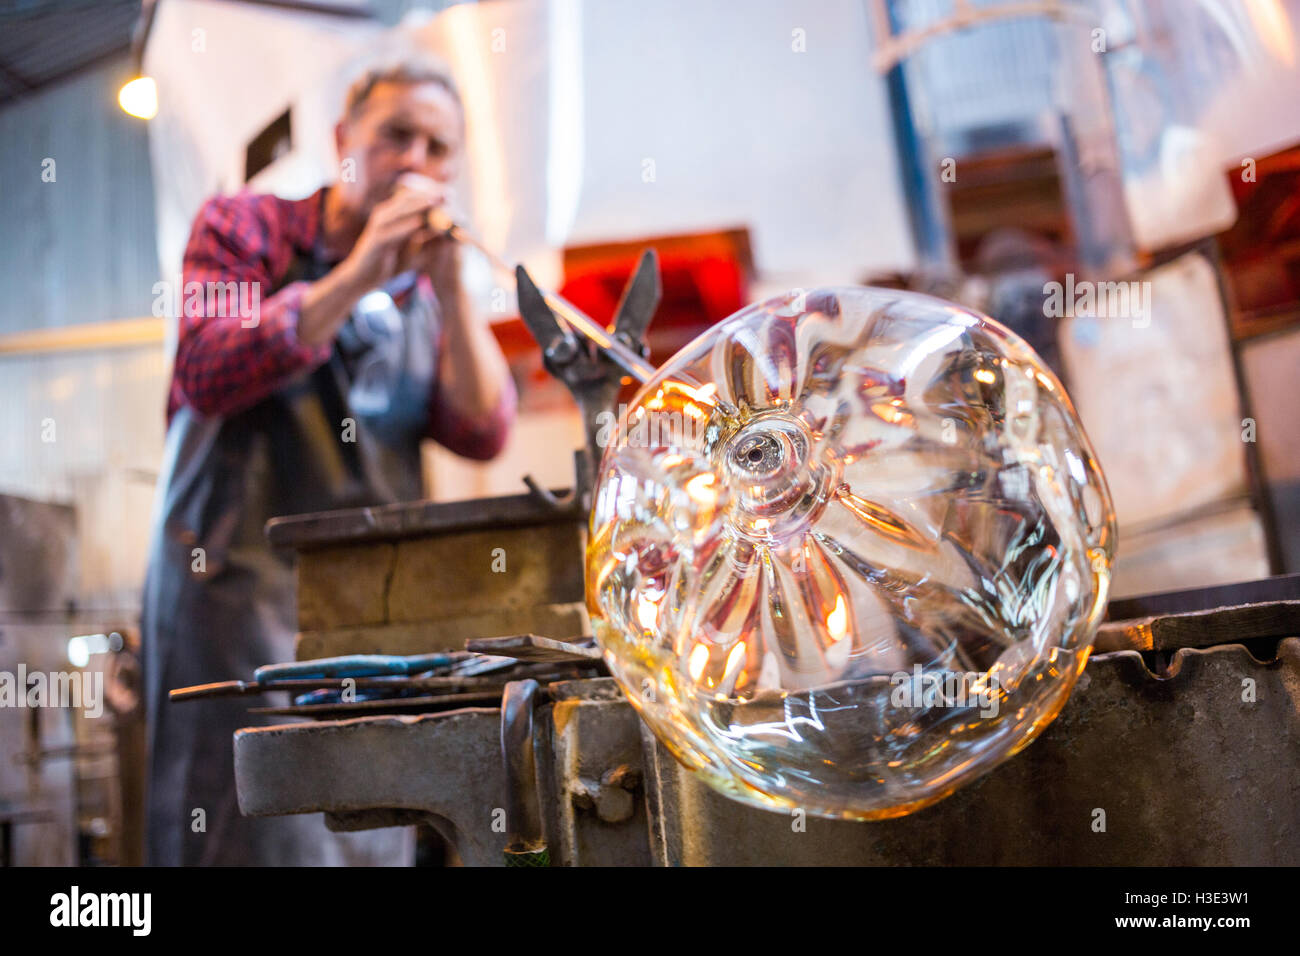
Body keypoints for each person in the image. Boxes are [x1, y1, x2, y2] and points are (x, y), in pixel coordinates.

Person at [141, 56, 516, 865]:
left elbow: (484, 431)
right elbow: (205, 368)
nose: (417, 161)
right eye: (395, 137)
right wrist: (353, 277)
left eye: (438, 147)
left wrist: (455, 291)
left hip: (368, 620)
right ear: (344, 141)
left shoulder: (424, 293)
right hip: (235, 610)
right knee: (247, 831)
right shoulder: (241, 226)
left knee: (366, 825)